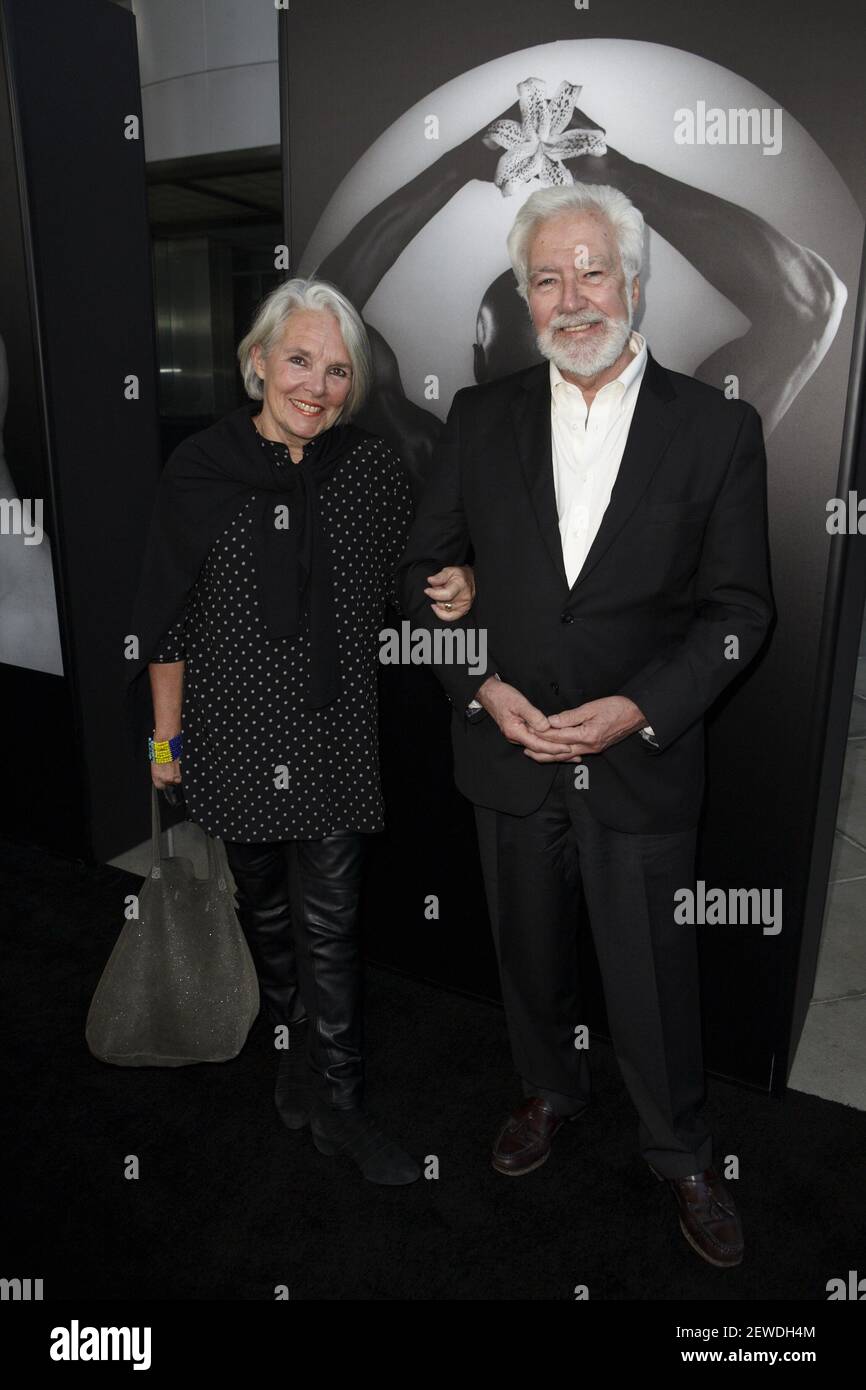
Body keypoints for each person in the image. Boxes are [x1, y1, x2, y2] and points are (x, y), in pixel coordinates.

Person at [397, 182, 775, 1264]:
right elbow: (419, 575)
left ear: (634, 284)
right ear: (524, 298)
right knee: (527, 956)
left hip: (639, 761)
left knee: (654, 976)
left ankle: (681, 1151)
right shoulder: (480, 419)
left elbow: (740, 613)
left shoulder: (716, 428)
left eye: (592, 271)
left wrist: (640, 708)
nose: (571, 297)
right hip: (507, 751)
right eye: (546, 278)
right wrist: (478, 684)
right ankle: (547, 1090)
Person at [126, 277, 474, 1186]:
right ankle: (292, 1054)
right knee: (268, 915)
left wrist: (453, 582)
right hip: (231, 734)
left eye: (337, 370)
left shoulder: (370, 468)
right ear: (258, 362)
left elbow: (409, 576)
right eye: (299, 361)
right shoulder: (201, 467)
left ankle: (343, 1106)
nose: (317, 386)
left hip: (331, 734)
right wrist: (165, 743)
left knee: (331, 926)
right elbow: (167, 617)